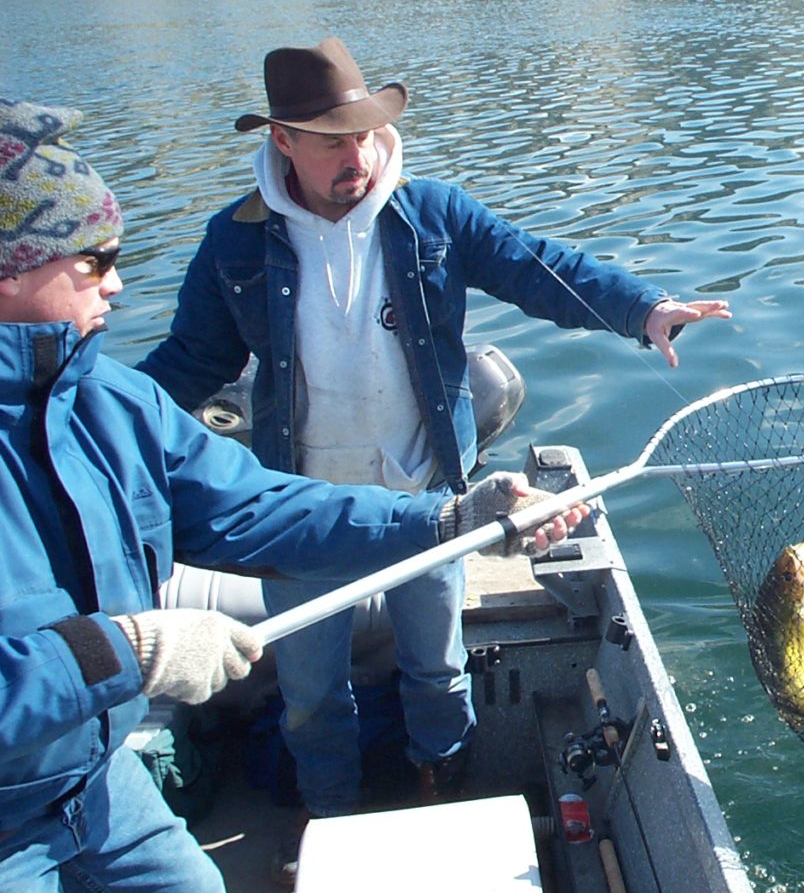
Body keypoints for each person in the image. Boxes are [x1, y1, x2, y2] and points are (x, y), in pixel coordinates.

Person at [136, 36, 731, 884]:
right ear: (282, 140)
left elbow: (540, 269)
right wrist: (88, 414)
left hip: (427, 503)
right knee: (309, 693)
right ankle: (329, 813)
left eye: (365, 133)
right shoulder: (235, 244)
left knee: (439, 670)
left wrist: (645, 309)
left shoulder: (432, 216)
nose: (356, 154)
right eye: (332, 140)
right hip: (298, 515)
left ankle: (437, 786)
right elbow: (190, 363)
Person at [0, 99, 581, 892]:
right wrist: (121, 653)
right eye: (95, 262)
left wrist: (450, 518)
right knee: (312, 697)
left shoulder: (109, 404)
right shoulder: (229, 247)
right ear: (12, 271)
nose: (119, 283)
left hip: (97, 784)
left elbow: (262, 508)